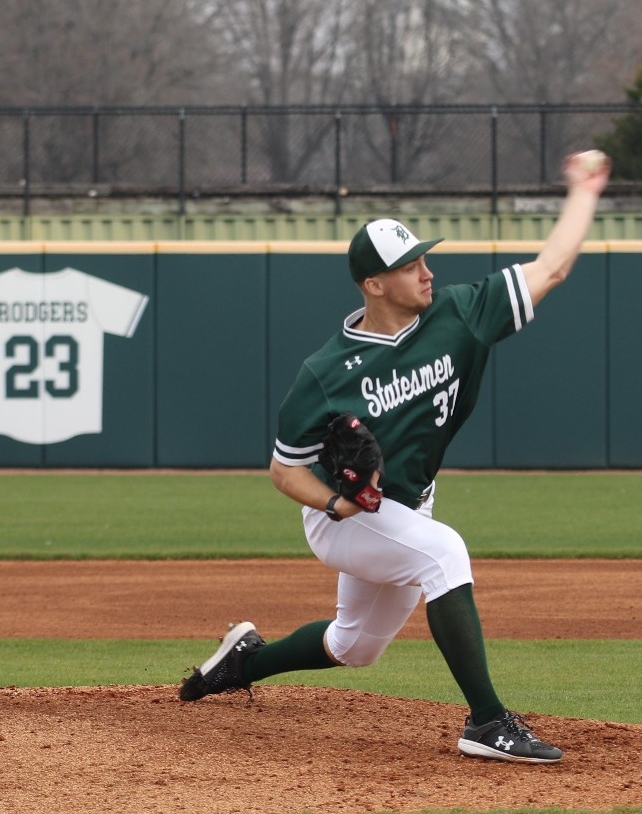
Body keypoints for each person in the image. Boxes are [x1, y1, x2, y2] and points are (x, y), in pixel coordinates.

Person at [178, 150, 611, 763]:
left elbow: (554, 267)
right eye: (410, 267)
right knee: (445, 555)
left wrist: (585, 190)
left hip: (409, 503)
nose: (426, 272)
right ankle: (487, 722)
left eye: (424, 258)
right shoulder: (326, 373)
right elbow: (283, 469)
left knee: (356, 645)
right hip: (347, 520)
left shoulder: (459, 314)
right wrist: (334, 502)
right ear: (374, 284)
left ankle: (244, 662)